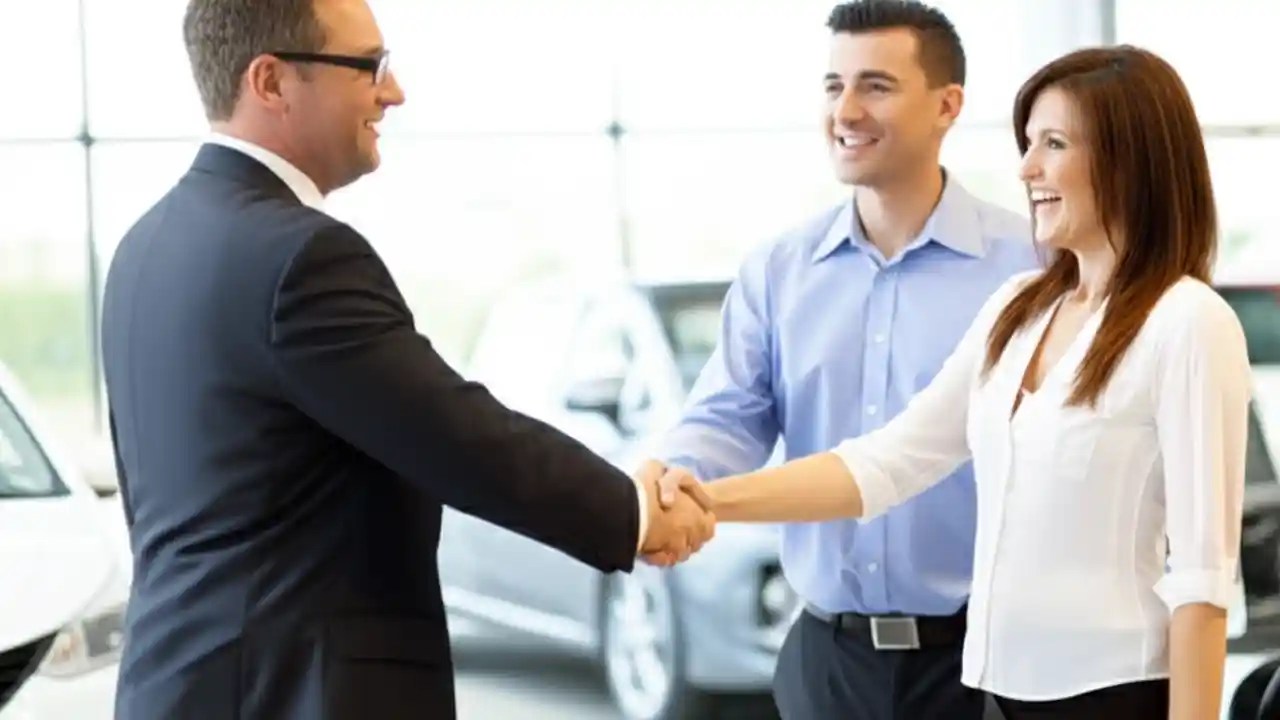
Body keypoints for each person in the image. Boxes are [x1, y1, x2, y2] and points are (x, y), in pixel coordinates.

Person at [100, 1, 713, 719]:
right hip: (296, 692)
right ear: (269, 81)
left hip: (176, 685)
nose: (393, 92)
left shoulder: (144, 250)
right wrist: (633, 512)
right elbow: (455, 436)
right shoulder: (298, 257)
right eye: (368, 66)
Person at [657, 44, 1250, 720]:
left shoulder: (1189, 322)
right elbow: (889, 462)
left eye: (1054, 143)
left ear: (1130, 160)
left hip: (1111, 693)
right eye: (1029, 143)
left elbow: (1203, 580)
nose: (1028, 169)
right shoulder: (1018, 308)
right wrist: (709, 499)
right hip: (995, 691)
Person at [641, 1, 1036, 718]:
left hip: (989, 667)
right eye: (833, 86)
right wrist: (672, 485)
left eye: (875, 86)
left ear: (947, 105)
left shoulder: (1030, 268)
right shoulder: (779, 270)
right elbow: (728, 418)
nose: (845, 110)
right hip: (828, 664)